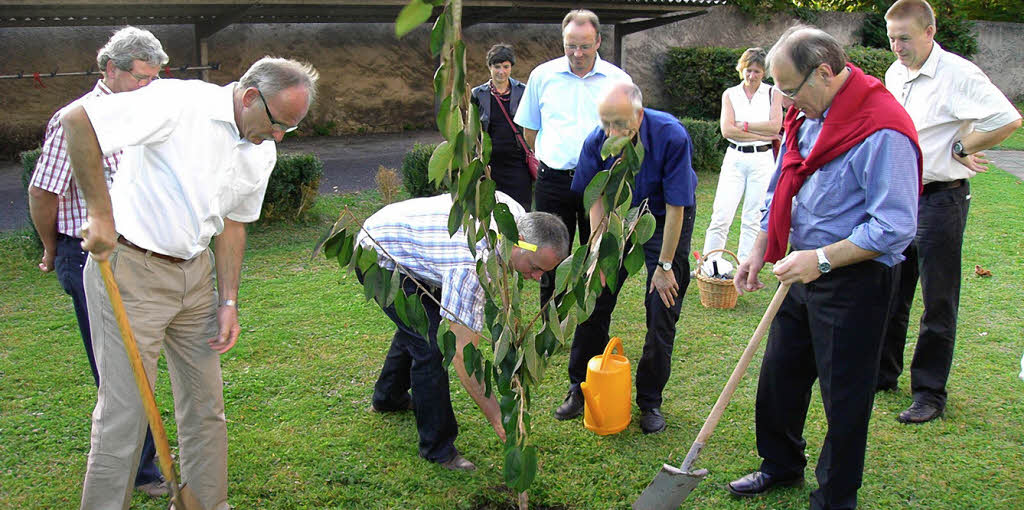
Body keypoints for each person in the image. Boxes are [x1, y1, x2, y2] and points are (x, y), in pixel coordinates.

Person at [61, 56, 318, 510]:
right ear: (250, 96)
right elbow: (78, 119)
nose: (279, 137)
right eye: (279, 123)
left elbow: (234, 224)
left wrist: (229, 301)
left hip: (196, 277)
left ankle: (205, 503)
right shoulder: (179, 102)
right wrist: (100, 214)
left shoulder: (261, 150)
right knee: (125, 414)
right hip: (131, 270)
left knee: (206, 407)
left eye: (290, 130)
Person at [726, 26, 921, 510]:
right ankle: (780, 464)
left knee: (845, 397)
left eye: (790, 90)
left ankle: (835, 497)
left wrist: (823, 259)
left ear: (826, 72)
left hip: (854, 278)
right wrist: (757, 250)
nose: (786, 104)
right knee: (779, 378)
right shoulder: (807, 114)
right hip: (799, 269)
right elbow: (783, 181)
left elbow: (895, 226)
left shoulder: (882, 128)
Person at [26, 26, 169, 498]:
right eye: (141, 76)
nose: (149, 86)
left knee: (139, 356)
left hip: (139, 254)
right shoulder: (80, 118)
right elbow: (43, 191)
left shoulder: (138, 114)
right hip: (88, 254)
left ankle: (148, 454)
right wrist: (52, 250)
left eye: (156, 77)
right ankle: (142, 470)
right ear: (111, 68)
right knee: (119, 366)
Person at [878, 0, 1022, 424]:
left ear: (929, 32)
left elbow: (1008, 118)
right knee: (892, 290)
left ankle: (929, 393)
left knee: (937, 300)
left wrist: (963, 146)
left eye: (904, 38)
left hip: (942, 199)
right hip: (900, 197)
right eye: (891, 38)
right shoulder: (894, 72)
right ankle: (883, 374)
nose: (897, 47)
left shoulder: (958, 74)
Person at [357, 193, 569, 470]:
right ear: (518, 244)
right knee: (432, 346)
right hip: (379, 254)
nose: (537, 278)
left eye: (544, 272)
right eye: (535, 268)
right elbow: (460, 353)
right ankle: (437, 449)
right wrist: (497, 417)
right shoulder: (470, 266)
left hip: (419, 246)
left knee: (418, 328)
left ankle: (388, 398)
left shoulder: (514, 215)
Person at [559, 82, 697, 434]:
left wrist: (665, 267)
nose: (611, 132)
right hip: (619, 217)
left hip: (664, 220)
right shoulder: (597, 140)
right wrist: (597, 253)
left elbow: (677, 206)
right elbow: (596, 198)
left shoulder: (671, 136)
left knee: (661, 307)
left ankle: (650, 401)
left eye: (619, 123)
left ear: (638, 114)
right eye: (605, 122)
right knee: (595, 296)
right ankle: (580, 386)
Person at [513, 8, 631, 308]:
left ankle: (592, 316)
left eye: (585, 45)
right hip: (553, 179)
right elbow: (530, 129)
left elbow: (630, 131)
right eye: (571, 45)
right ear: (563, 42)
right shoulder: (542, 75)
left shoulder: (618, 80)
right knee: (548, 253)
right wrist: (549, 156)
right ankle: (552, 320)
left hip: (600, 183)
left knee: (598, 250)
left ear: (599, 41)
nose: (577, 53)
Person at [702, 47, 783, 264]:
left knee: (753, 216)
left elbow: (776, 125)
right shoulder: (730, 94)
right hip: (735, 158)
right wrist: (761, 132)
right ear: (741, 69)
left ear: (763, 72)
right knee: (721, 214)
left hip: (762, 159)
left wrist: (744, 126)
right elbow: (728, 131)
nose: (751, 75)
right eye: (748, 70)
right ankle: (709, 264)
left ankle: (744, 267)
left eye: (756, 71)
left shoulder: (773, 93)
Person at [471, 44, 532, 210]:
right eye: (497, 66)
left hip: (517, 162)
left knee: (521, 209)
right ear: (489, 67)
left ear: (511, 67)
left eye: (506, 67)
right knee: (492, 209)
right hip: (490, 162)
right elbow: (473, 130)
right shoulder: (478, 94)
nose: (501, 71)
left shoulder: (523, 91)